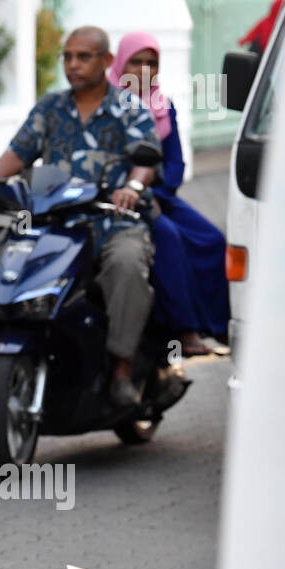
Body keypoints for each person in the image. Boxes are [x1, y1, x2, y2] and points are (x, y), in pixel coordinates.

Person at [0, 26, 161, 407]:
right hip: (53, 224)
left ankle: (122, 367)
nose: (73, 64)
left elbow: (147, 159)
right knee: (0, 258)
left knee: (126, 263)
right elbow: (17, 154)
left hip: (113, 222)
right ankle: (2, 361)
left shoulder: (130, 109)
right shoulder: (50, 107)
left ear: (106, 61)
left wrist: (132, 188)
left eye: (83, 56)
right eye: (67, 56)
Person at [108, 33, 230, 356]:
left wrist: (161, 191)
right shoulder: (106, 103)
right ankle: (185, 331)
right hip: (118, 198)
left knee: (213, 240)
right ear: (120, 62)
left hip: (159, 195)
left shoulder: (162, 106)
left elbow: (174, 160)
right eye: (137, 61)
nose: (144, 69)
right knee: (169, 239)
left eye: (152, 63)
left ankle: (219, 325)